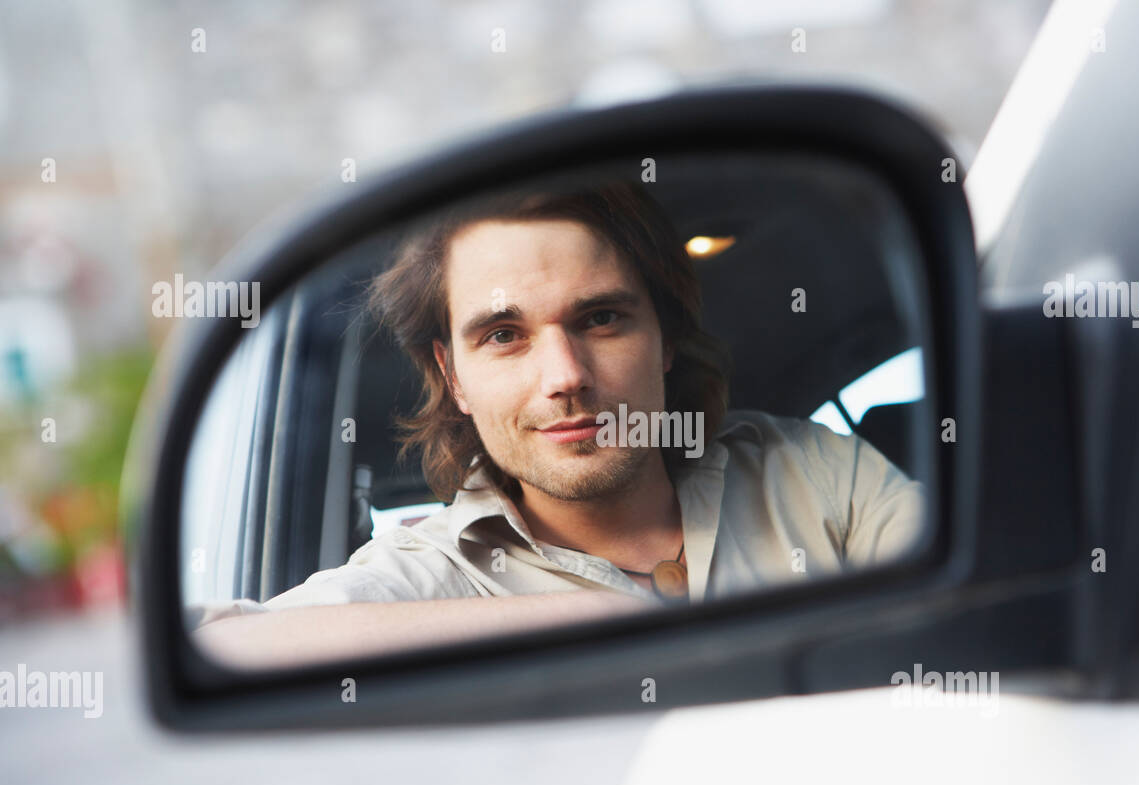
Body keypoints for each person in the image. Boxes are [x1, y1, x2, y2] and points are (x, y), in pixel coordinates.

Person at [192, 182, 924, 669]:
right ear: (454, 378)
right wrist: (579, 619)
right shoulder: (426, 575)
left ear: (666, 338)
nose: (566, 375)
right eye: (505, 335)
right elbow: (218, 643)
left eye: (600, 318)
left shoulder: (807, 468)